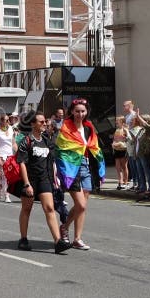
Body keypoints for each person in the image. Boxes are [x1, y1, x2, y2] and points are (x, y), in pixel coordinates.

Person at [14, 112, 71, 254]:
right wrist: (26, 184)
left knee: (49, 208)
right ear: (33, 124)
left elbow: (51, 161)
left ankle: (58, 241)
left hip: (45, 179)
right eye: (41, 122)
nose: (44, 124)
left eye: (45, 121)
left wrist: (54, 180)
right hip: (30, 179)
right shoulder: (26, 141)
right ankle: (23, 239)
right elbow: (21, 163)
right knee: (27, 209)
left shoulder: (47, 140)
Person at [55, 98, 105, 251]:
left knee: (81, 206)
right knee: (81, 205)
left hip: (86, 166)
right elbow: (61, 150)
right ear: (71, 111)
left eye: (83, 111)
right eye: (77, 111)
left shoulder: (89, 127)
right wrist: (62, 170)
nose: (80, 114)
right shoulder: (66, 127)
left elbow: (93, 146)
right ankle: (65, 228)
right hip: (72, 168)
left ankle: (75, 237)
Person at [0, 114, 16, 202]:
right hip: (1, 156)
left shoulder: (10, 129)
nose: (7, 122)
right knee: (5, 177)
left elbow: (13, 143)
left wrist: (18, 153)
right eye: (5, 120)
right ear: (0, 121)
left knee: (9, 176)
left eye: (7, 120)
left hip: (10, 155)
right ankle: (7, 196)